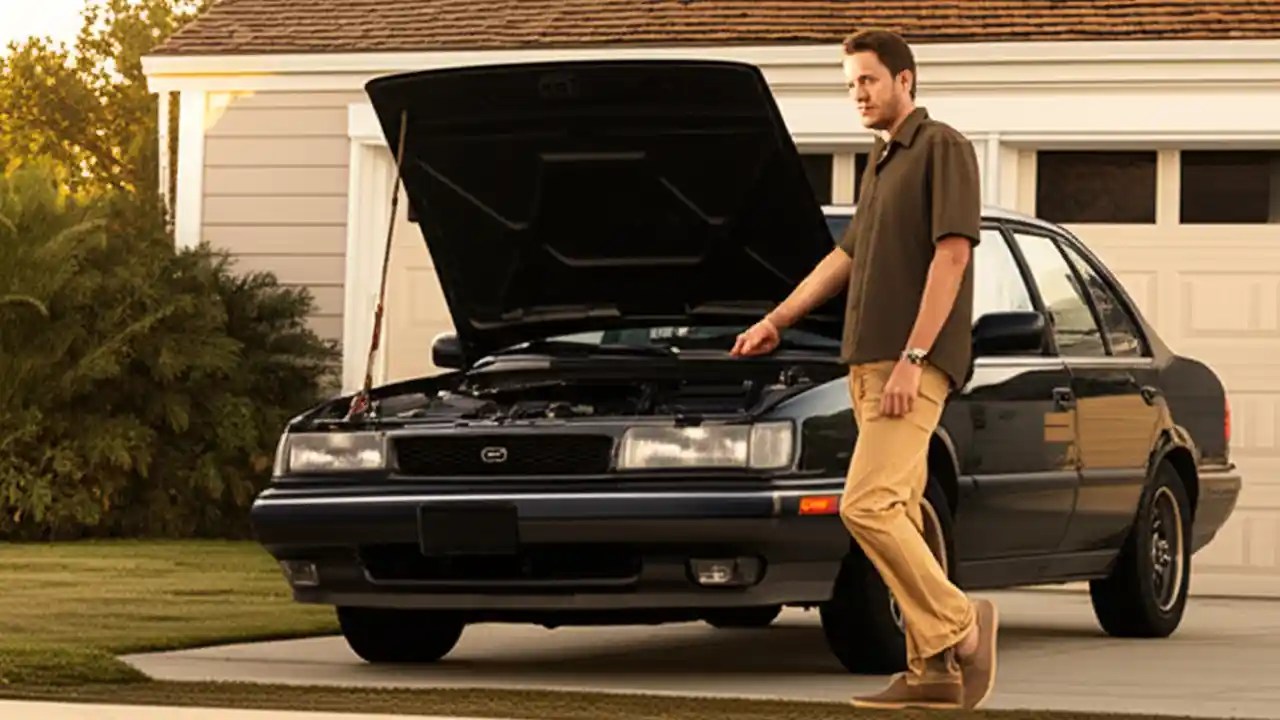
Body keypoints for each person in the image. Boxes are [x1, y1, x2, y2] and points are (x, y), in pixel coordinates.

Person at [730, 28, 998, 710]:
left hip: (911, 366)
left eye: (868, 81)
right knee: (899, 511)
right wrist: (776, 320)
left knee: (866, 506)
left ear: (905, 80)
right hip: (867, 365)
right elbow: (841, 261)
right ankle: (931, 672)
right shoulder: (881, 164)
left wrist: (913, 358)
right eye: (851, 84)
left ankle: (963, 625)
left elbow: (953, 257)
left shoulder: (941, 148)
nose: (858, 94)